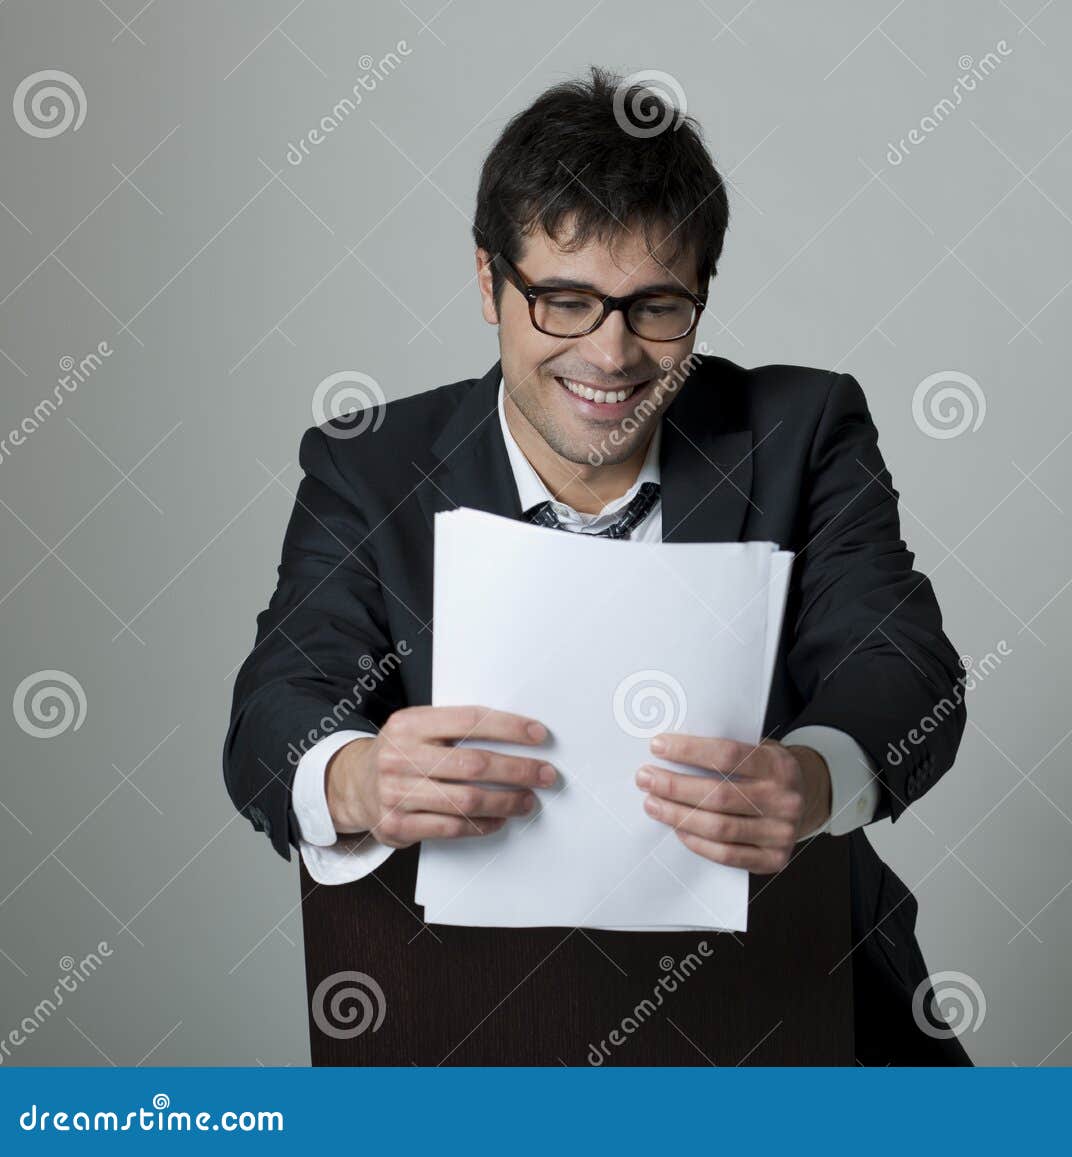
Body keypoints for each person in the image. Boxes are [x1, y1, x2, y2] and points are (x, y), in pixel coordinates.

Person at [224, 66, 969, 1064]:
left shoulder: (804, 429)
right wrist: (355, 779)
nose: (611, 355)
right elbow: (276, 705)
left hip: (799, 1006)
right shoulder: (372, 466)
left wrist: (816, 776)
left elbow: (904, 665)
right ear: (488, 281)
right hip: (473, 1023)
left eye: (656, 306)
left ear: (702, 295)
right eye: (565, 301)